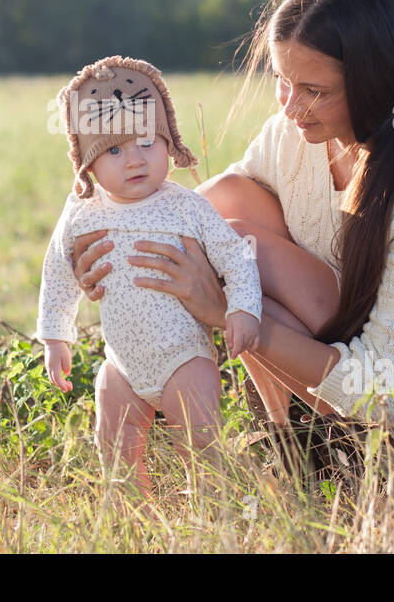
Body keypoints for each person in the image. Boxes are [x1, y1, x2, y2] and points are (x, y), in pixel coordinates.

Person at [69, 0, 394, 479]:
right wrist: (117, 246)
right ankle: (297, 447)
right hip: (361, 358)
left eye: (314, 90)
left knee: (241, 252)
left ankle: (326, 452)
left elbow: (381, 387)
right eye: (281, 80)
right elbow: (209, 210)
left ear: (372, 86)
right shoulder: (294, 134)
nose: (291, 106)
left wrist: (223, 311)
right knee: (218, 230)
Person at [36, 56, 262, 502]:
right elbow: (58, 271)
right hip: (120, 362)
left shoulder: (186, 206)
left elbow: (237, 257)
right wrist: (55, 337)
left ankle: (215, 520)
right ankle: (131, 520)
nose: (134, 160)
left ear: (168, 142)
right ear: (88, 163)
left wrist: (243, 308)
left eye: (145, 142)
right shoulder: (83, 211)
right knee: (114, 450)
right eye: (114, 151)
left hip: (184, 358)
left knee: (200, 445)